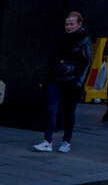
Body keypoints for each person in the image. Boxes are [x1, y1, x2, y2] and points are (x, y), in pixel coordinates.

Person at [32, 12, 90, 152]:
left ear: (79, 24)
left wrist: (79, 82)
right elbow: (52, 60)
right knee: (51, 109)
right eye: (67, 24)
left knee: (69, 111)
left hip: (72, 80)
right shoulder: (61, 39)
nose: (68, 27)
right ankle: (47, 140)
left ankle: (66, 141)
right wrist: (45, 78)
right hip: (57, 77)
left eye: (72, 24)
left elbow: (87, 62)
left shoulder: (83, 40)